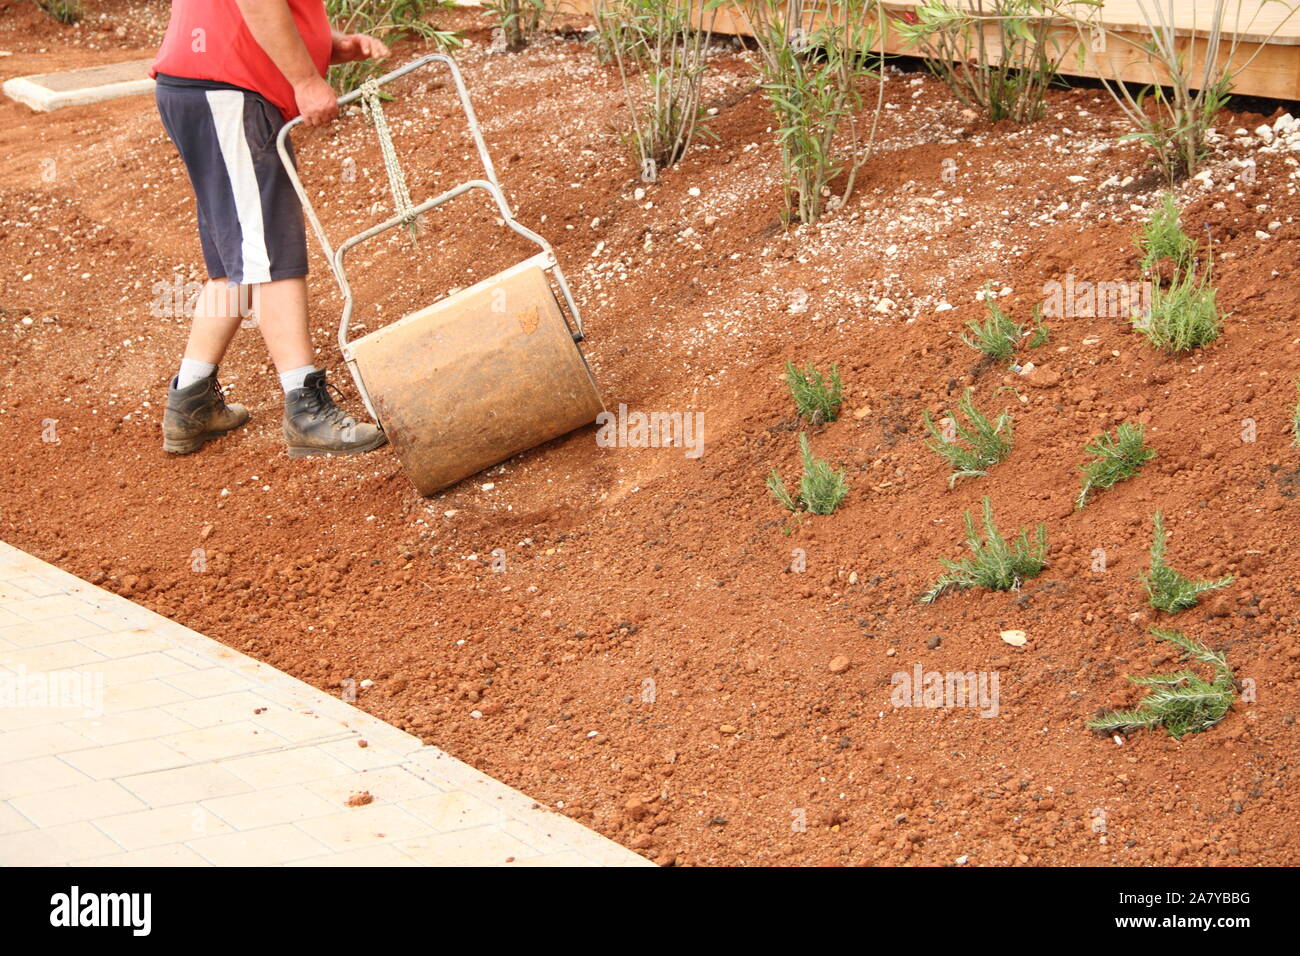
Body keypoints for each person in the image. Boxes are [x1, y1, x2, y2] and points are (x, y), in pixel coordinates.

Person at [151, 0, 390, 457]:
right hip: (225, 88)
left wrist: (328, 44)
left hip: (204, 86)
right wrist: (304, 79)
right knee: (270, 254)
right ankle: (305, 410)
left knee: (237, 259)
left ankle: (191, 401)